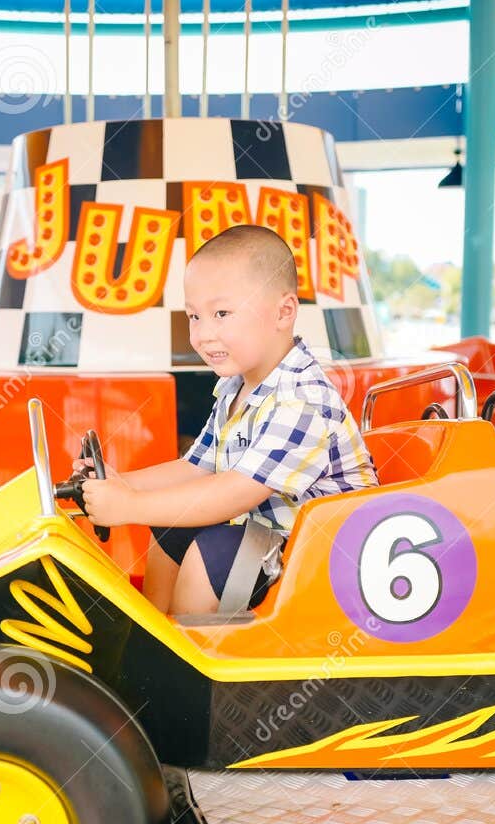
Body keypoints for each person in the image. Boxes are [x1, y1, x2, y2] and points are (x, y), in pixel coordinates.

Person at [77, 224, 377, 615]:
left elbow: (237, 491)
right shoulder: (237, 388)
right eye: (194, 316)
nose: (203, 334)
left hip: (328, 560)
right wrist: (119, 483)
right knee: (172, 527)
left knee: (216, 553)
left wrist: (130, 506)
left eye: (221, 313)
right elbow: (196, 468)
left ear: (284, 312)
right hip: (273, 541)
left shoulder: (303, 398)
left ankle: (189, 649)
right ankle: (150, 633)